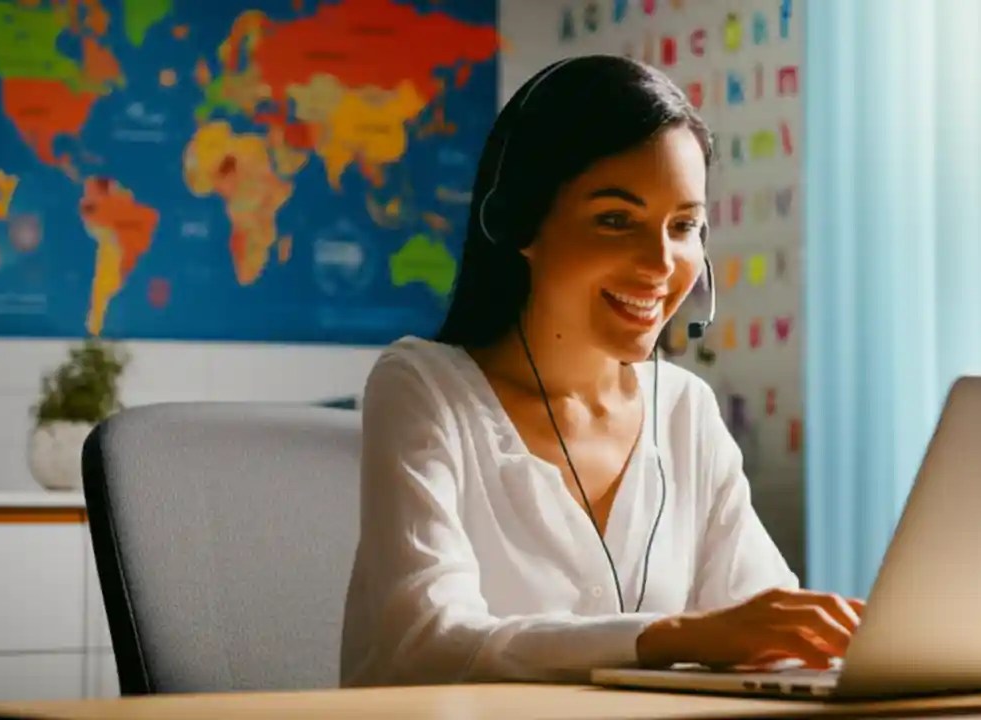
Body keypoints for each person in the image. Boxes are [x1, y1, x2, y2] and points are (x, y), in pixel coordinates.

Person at [340, 55, 862, 687]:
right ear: (522, 223)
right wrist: (669, 636)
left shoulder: (683, 410)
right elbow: (425, 643)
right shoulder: (422, 389)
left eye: (684, 226)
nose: (661, 264)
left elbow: (765, 626)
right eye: (617, 220)